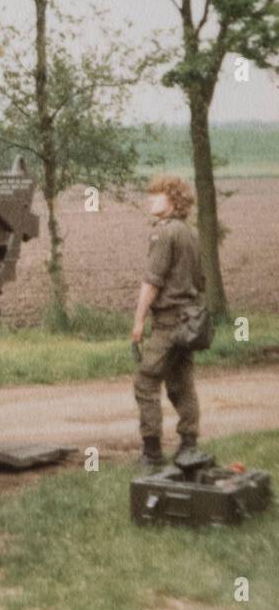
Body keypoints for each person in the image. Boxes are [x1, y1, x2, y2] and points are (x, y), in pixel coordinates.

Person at [131, 175, 205, 468]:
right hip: (190, 321)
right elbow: (201, 280)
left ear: (173, 200)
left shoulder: (163, 233)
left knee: (145, 381)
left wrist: (138, 322)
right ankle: (189, 445)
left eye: (157, 195)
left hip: (168, 322)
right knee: (181, 383)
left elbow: (151, 283)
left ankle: (151, 453)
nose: (151, 199)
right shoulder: (191, 233)